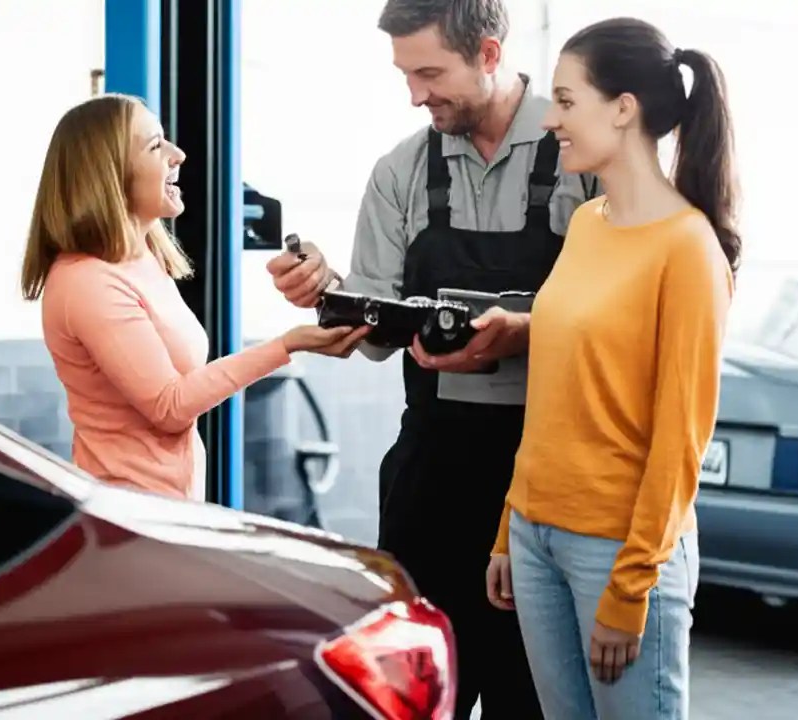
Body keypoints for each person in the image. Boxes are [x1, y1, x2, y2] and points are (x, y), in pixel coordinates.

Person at [265, 2, 594, 716]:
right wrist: (331, 293)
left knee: (530, 698)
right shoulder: (401, 171)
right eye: (405, 75)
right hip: (433, 476)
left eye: (429, 72)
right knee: (415, 695)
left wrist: (529, 332)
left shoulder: (581, 150)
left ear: (486, 51)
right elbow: (379, 337)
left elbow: (626, 320)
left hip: (548, 475)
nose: (415, 94)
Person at [458, 17, 739, 720]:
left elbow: (681, 440)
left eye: (566, 100)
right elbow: (554, 395)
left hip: (620, 552)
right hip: (536, 536)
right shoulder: (589, 224)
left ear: (623, 108)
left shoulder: (688, 249)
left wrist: (631, 585)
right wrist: (510, 526)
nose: (550, 120)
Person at [20, 94, 368, 502]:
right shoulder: (88, 283)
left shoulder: (143, 256)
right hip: (130, 514)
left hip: (171, 506)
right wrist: (287, 345)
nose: (178, 154)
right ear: (110, 175)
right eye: (155, 146)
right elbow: (169, 407)